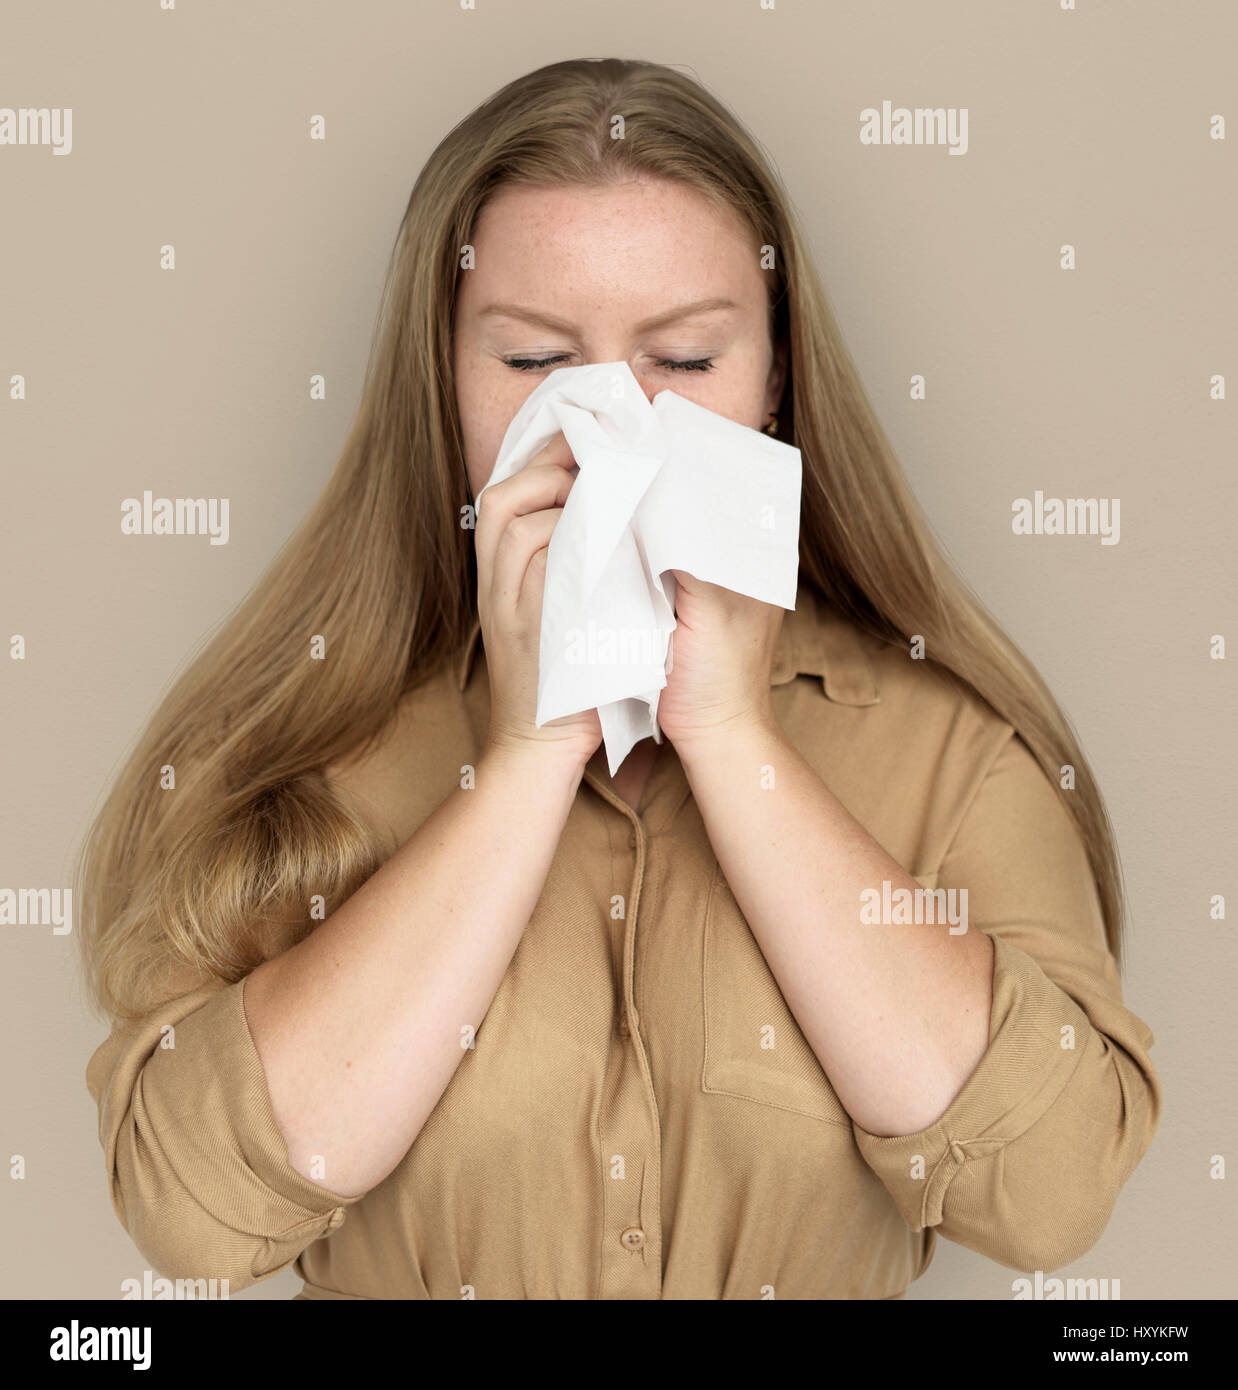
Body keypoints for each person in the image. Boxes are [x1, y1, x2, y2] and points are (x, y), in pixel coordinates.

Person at [77, 57, 1160, 1300]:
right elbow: (192, 1220)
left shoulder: (949, 761)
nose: (613, 430)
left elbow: (1054, 1191)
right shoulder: (300, 746)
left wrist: (732, 738)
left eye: (686, 363)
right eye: (538, 362)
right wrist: (533, 752)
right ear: (444, 388)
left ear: (773, 384)